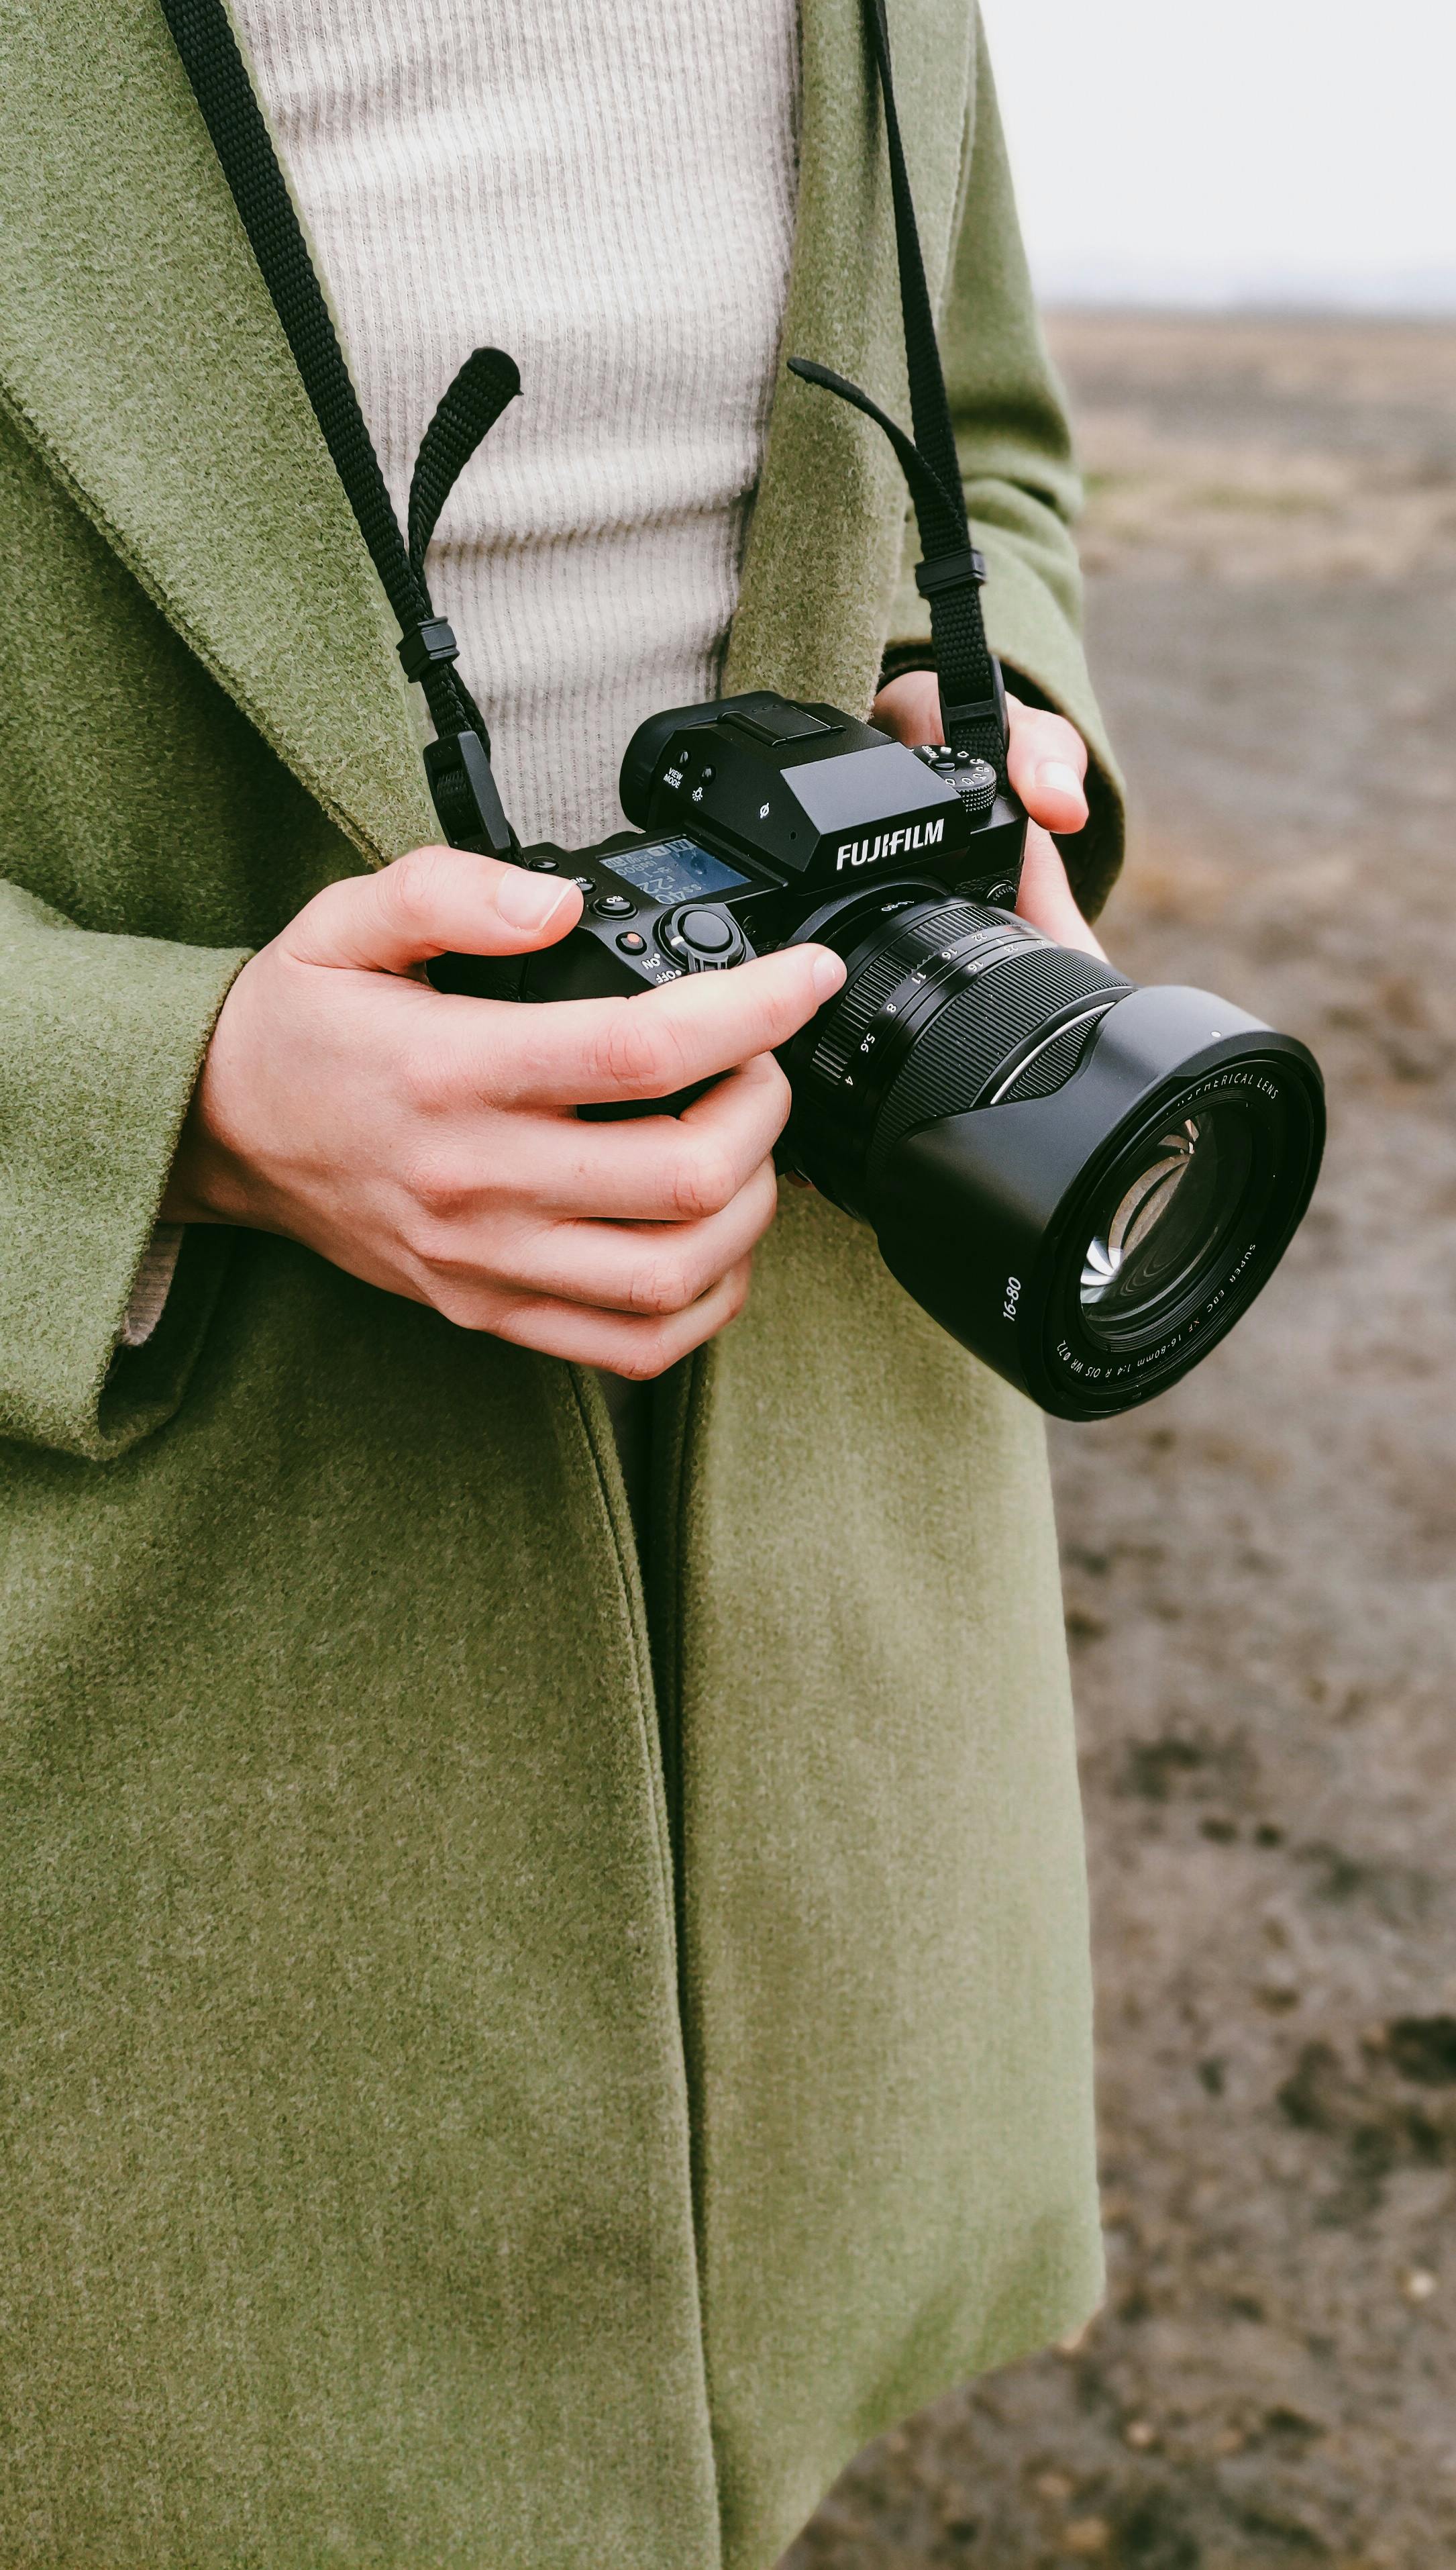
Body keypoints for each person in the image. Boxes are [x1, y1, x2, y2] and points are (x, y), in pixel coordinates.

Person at [0, 1, 1123, 2563]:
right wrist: (151, 1098)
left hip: (823, 1356)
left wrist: (1006, 722)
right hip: (156, 1521)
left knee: (738, 2392)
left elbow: (1000, 444)